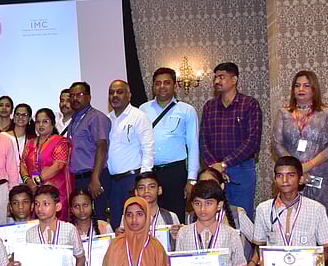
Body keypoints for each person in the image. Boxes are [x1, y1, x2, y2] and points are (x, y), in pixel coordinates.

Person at [273, 70, 328, 231]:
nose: (300, 89)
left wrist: (309, 165)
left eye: (306, 85)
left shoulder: (327, 113)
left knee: (322, 223)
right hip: (291, 176)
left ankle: (325, 256)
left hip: (322, 176)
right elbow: (277, 143)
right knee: (292, 222)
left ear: (314, 89)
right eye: (297, 85)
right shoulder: (284, 113)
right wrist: (295, 169)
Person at [199, 62, 263, 215]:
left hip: (242, 170)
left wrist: (224, 163)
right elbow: (203, 140)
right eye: (215, 77)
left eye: (221, 77)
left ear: (234, 80)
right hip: (213, 170)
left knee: (241, 216)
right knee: (214, 215)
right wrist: (214, 166)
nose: (216, 81)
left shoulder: (250, 104)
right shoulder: (209, 106)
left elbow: (253, 141)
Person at [141, 67, 200, 217]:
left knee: (175, 217)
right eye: (158, 83)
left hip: (176, 172)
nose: (162, 86)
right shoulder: (143, 109)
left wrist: (192, 179)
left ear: (174, 85)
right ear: (153, 86)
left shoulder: (187, 110)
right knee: (149, 216)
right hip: (150, 172)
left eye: (166, 82)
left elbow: (193, 146)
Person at [104, 79, 155, 230]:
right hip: (113, 182)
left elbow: (148, 148)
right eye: (111, 92)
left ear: (129, 95)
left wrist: (143, 181)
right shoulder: (107, 119)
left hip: (132, 180)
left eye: (119, 92)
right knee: (116, 225)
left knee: (136, 224)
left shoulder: (139, 116)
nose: (115, 95)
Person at [64, 82, 111, 221]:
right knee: (83, 220)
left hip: (94, 177)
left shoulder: (95, 117)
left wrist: (95, 178)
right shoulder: (75, 119)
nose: (75, 99)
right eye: (71, 95)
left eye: (79, 95)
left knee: (98, 218)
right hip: (80, 179)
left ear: (89, 97)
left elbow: (102, 146)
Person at [22, 108, 72, 217]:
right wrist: (28, 181)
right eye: (38, 122)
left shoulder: (60, 141)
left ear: (53, 123)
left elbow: (58, 165)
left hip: (55, 192)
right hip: (34, 192)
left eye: (45, 121)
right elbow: (23, 164)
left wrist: (37, 181)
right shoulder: (30, 143)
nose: (41, 125)